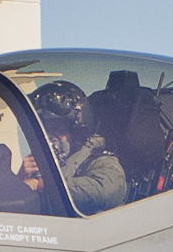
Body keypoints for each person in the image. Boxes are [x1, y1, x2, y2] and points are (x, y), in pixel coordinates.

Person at [18, 81, 128, 213]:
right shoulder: (50, 163)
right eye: (45, 129)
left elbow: (106, 190)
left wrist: (41, 184)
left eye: (57, 128)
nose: (49, 136)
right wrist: (22, 178)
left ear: (76, 130)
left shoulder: (100, 159)